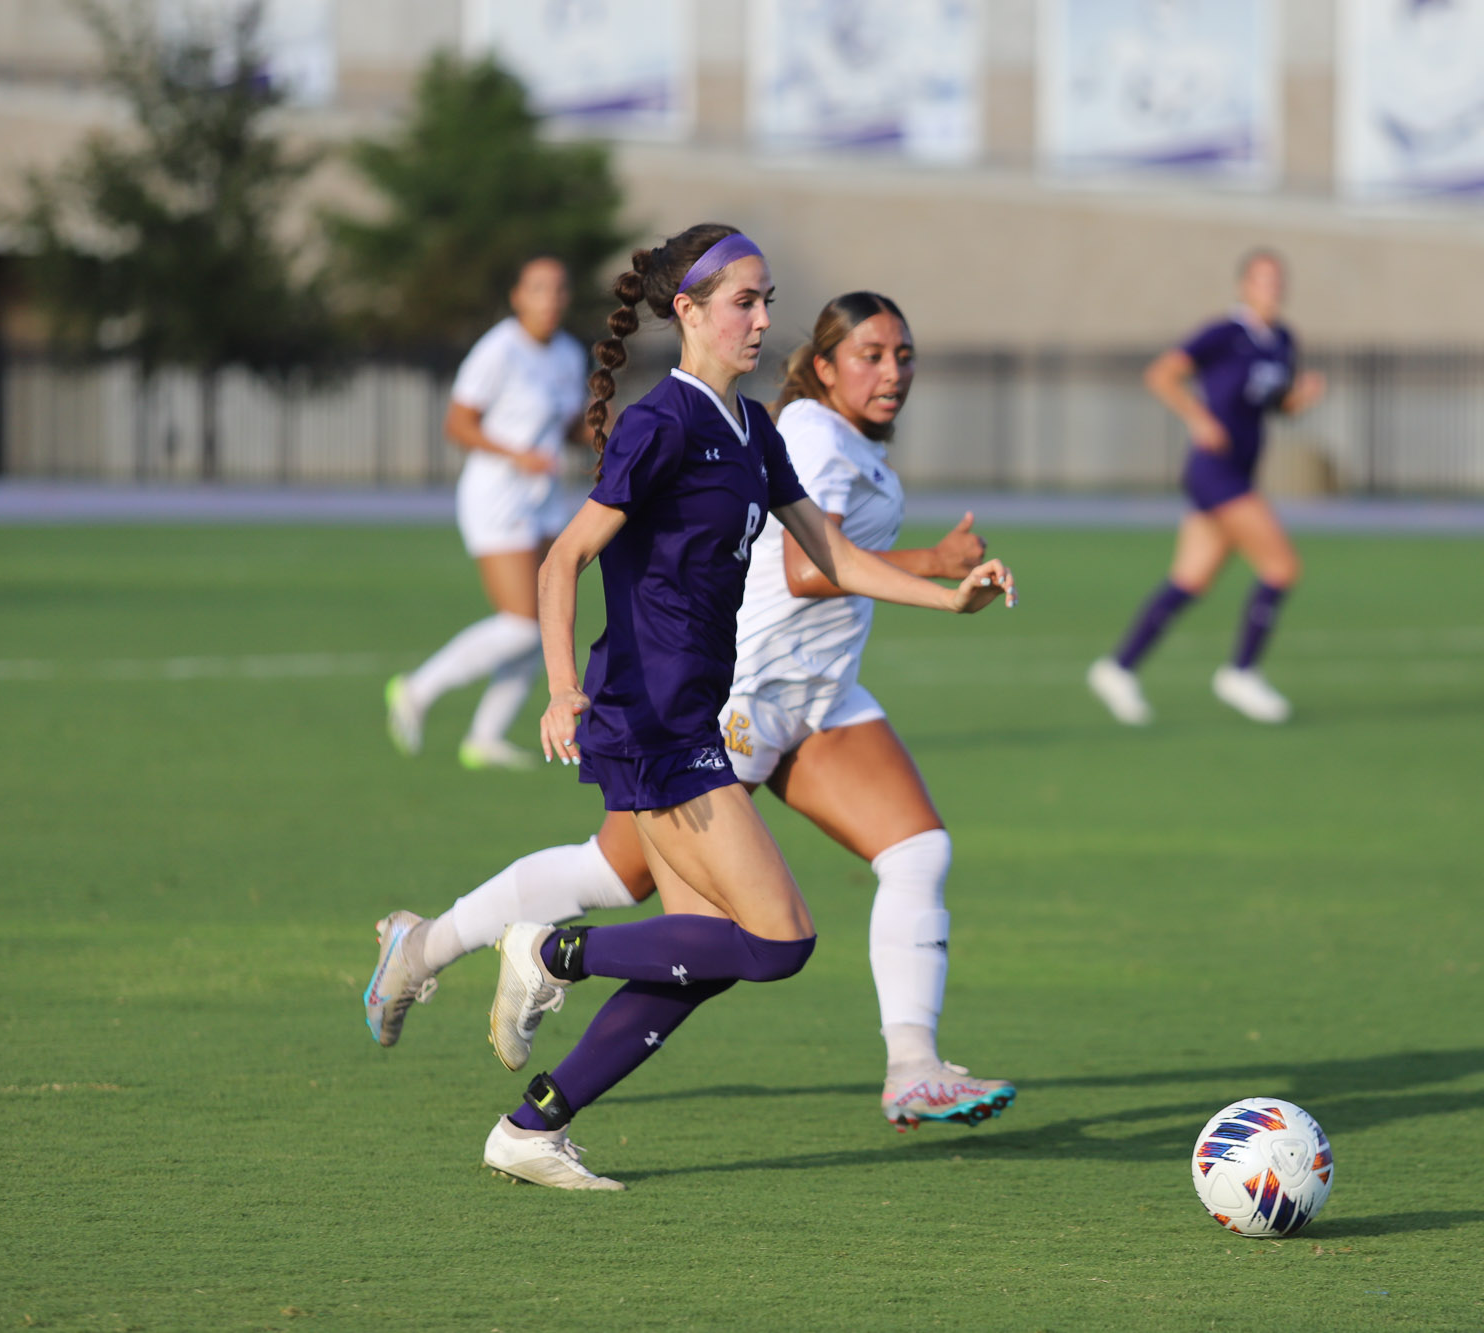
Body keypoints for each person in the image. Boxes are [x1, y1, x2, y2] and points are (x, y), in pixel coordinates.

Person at [362, 292, 1018, 1136]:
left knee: (917, 849)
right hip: (745, 697)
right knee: (631, 886)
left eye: (904, 354)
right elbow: (812, 569)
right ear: (822, 364)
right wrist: (933, 567)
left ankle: (913, 1067)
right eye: (871, 354)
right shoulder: (807, 434)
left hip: (819, 694)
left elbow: (833, 553)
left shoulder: (804, 435)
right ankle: (436, 954)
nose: (893, 371)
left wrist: (941, 583)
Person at [1087, 248, 1324, 726]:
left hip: (1240, 470)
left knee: (1191, 580)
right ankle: (1241, 672)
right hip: (1216, 472)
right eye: (1262, 280)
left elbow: (1275, 405)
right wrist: (1199, 419)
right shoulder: (1224, 334)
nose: (1272, 289)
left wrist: (1300, 401)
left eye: (1278, 281)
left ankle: (1118, 668)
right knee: (1281, 567)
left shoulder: (1281, 340)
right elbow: (1162, 375)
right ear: (1243, 286)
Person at [384, 256, 589, 770]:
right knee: (522, 621)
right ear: (518, 296)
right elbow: (458, 424)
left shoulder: (567, 353)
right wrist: (517, 455)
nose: (551, 299)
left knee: (544, 619)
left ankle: (485, 737)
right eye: (539, 289)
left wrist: (623, 439)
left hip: (543, 498)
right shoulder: (499, 349)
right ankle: (417, 688)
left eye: (560, 289)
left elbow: (567, 427)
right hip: (498, 497)